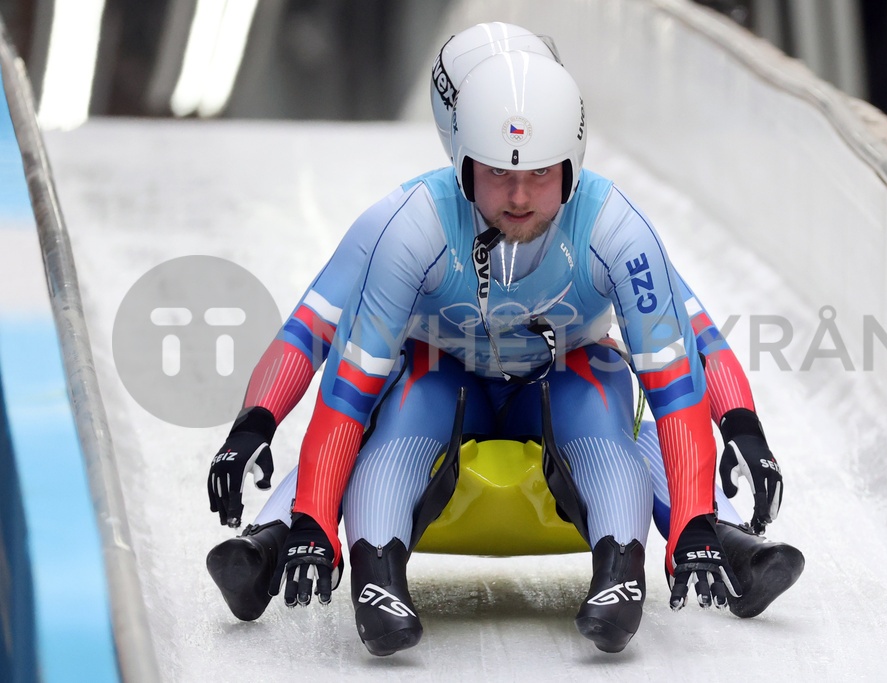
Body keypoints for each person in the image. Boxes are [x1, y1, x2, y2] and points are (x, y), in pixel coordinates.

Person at [205, 24, 802, 653]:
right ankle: (294, 544)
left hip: (565, 389)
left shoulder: (614, 228)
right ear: (461, 150)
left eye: (541, 172)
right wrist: (264, 442)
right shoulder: (407, 225)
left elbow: (684, 354)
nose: (519, 195)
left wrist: (739, 434)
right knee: (401, 392)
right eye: (498, 171)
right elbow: (330, 354)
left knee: (606, 391)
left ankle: (697, 542)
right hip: (438, 389)